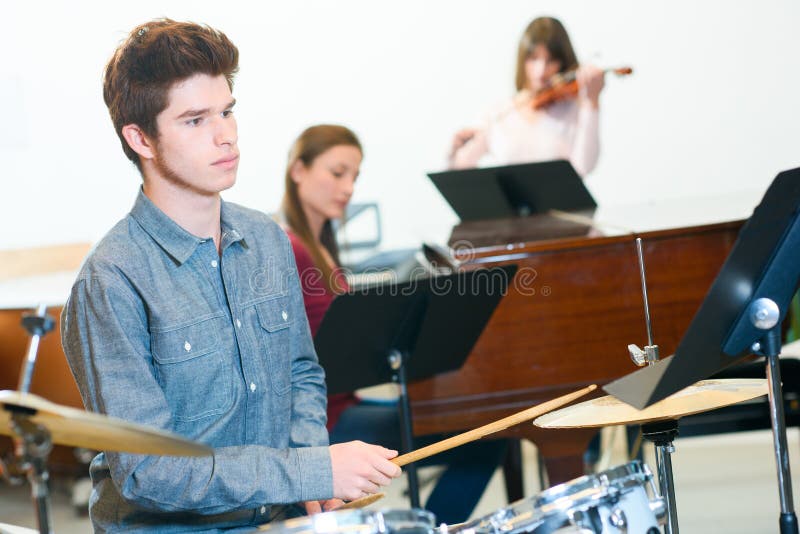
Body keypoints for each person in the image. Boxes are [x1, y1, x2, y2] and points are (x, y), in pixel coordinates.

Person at [60, 19, 400, 533]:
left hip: (275, 517)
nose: (227, 135)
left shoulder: (266, 238)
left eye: (227, 110)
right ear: (141, 139)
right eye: (195, 120)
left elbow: (301, 376)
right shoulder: (110, 281)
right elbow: (150, 473)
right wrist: (307, 470)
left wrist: (311, 473)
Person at [280, 124, 507, 524]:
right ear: (298, 170)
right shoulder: (290, 247)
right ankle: (427, 527)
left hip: (347, 405)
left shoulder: (320, 249)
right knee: (486, 440)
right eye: (337, 173)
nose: (348, 187)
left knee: (479, 431)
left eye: (354, 176)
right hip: (328, 423)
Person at [448, 16, 605, 177]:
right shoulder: (498, 113)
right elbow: (463, 167)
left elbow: (585, 166)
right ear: (523, 59)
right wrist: (455, 154)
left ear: (563, 63)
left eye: (551, 60)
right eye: (533, 58)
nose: (541, 71)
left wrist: (591, 102)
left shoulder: (575, 110)